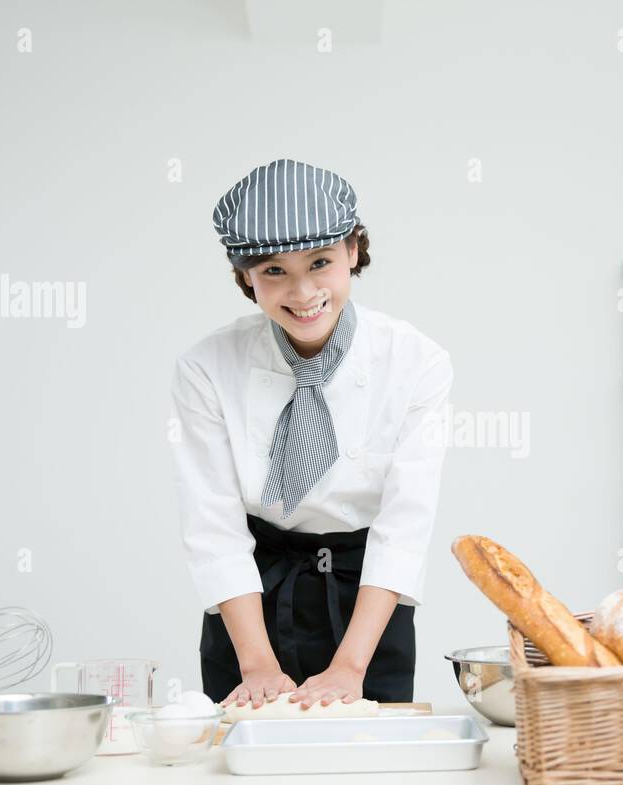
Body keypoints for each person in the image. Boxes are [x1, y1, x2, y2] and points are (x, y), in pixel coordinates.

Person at [170, 159, 453, 711]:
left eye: (320, 262)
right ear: (245, 274)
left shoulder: (416, 362)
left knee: (368, 774)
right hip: (251, 596)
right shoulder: (205, 368)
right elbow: (214, 527)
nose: (303, 294)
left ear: (353, 251)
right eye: (273, 271)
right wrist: (256, 666)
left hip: (367, 596)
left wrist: (349, 668)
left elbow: (402, 529)